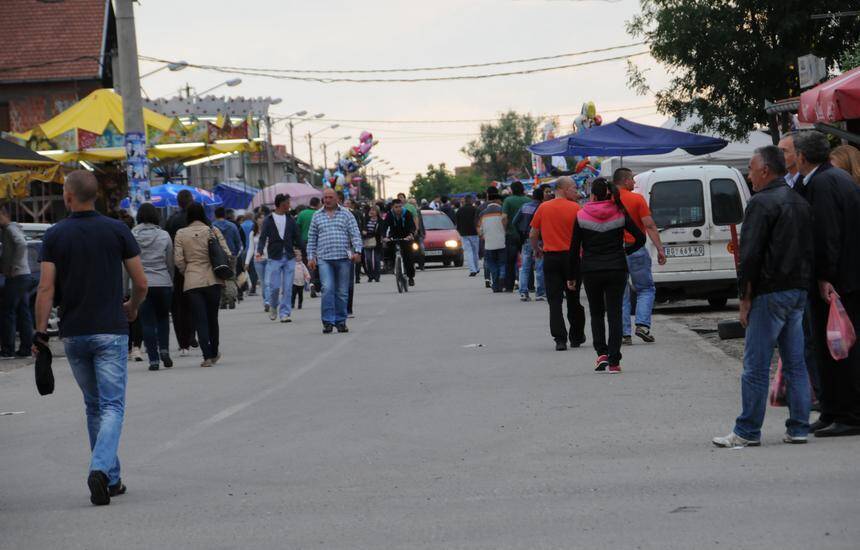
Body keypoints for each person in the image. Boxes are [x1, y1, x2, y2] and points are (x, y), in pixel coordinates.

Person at [34, 170, 147, 505]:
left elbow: (45, 288)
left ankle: (111, 479)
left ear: (68, 197)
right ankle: (100, 469)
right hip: (110, 329)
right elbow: (141, 282)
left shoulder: (55, 235)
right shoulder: (117, 230)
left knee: (94, 406)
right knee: (112, 405)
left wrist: (40, 334)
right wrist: (133, 307)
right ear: (95, 195)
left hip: (74, 333)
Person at [713, 146, 814, 448]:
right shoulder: (799, 200)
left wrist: (744, 298)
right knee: (795, 363)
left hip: (770, 291)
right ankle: (798, 427)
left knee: (756, 364)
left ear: (765, 171)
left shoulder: (761, 203)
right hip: (797, 290)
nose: (749, 174)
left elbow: (751, 255)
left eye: (752, 168)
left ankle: (747, 430)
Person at [795, 131, 860, 438]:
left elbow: (826, 235)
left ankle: (848, 413)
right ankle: (833, 410)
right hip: (846, 275)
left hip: (839, 280)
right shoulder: (834, 179)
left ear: (802, 157)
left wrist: (824, 277)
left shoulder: (823, 183)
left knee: (838, 347)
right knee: (830, 347)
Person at [570, 178, 645, 374]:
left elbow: (573, 249)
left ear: (592, 195)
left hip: (591, 270)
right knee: (614, 313)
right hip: (616, 269)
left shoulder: (581, 215)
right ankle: (614, 361)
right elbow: (640, 237)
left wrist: (572, 276)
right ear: (609, 193)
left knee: (596, 313)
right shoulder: (619, 212)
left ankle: (601, 354)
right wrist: (625, 252)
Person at [529, 177, 586, 351]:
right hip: (572, 258)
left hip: (551, 258)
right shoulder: (576, 208)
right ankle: (576, 336)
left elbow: (533, 233)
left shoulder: (543, 208)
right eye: (574, 188)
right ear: (564, 189)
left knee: (554, 301)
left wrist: (537, 249)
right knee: (573, 299)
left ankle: (560, 339)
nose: (576, 191)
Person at [612, 168, 668, 345]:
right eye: (632, 180)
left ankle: (624, 334)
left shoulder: (608, 199)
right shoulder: (636, 199)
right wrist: (660, 249)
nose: (634, 184)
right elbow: (649, 225)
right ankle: (642, 325)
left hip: (615, 252)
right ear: (625, 180)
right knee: (645, 289)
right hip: (636, 250)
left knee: (621, 293)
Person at [174, 203, 231, 367]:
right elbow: (226, 253)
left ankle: (206, 357)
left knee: (200, 319)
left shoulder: (180, 234)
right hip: (213, 279)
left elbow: (178, 259)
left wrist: (188, 271)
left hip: (192, 281)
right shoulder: (213, 231)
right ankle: (214, 352)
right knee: (213, 318)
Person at [307, 188, 362, 333]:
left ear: (337, 198)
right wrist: (311, 257)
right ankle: (328, 322)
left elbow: (355, 233)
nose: (327, 200)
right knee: (327, 288)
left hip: (343, 258)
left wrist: (357, 251)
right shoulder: (317, 216)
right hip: (324, 259)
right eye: (325, 197)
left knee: (342, 291)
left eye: (330, 197)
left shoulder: (346, 214)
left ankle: (341, 321)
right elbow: (312, 238)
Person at [131, 203, 174, 371]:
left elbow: (127, 263)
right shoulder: (164, 235)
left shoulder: (132, 235)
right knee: (163, 318)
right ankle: (164, 350)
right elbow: (170, 262)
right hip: (163, 282)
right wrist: (171, 280)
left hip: (141, 284)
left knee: (146, 322)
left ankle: (154, 360)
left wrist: (128, 287)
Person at [256, 193, 301, 323]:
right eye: (288, 203)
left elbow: (297, 237)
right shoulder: (268, 220)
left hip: (289, 256)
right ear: (282, 204)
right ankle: (273, 306)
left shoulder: (291, 219)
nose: (290, 205)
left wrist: (306, 252)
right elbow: (263, 237)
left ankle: (285, 313)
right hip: (274, 257)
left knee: (287, 287)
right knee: (274, 286)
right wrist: (259, 251)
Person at [165, 190, 196, 356]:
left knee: (179, 306)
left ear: (178, 203)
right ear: (191, 201)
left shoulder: (171, 220)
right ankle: (193, 334)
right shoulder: (198, 220)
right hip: (197, 267)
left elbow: (168, 246)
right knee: (196, 302)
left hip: (177, 268)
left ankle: (183, 341)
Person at [0, 205, 33, 358]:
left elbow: (21, 244)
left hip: (17, 276)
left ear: (3, 214)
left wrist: (14, 265)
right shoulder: (13, 228)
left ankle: (8, 350)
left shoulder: (9, 228)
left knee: (8, 312)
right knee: (23, 312)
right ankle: (26, 349)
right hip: (24, 275)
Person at [512, 185, 546, 301]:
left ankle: (523, 292)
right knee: (540, 267)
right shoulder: (543, 207)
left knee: (525, 267)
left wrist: (521, 233)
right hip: (540, 240)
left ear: (532, 197)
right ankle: (540, 293)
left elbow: (514, 222)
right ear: (542, 197)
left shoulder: (524, 207)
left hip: (526, 239)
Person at [502, 181, 530, 293]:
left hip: (512, 234)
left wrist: (505, 230)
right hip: (526, 235)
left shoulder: (508, 200)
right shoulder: (528, 200)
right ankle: (530, 285)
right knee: (527, 261)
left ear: (512, 190)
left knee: (510, 261)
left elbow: (504, 217)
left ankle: (509, 286)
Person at [212, 207, 242, 309]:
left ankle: (223, 301)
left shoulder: (212, 227)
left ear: (215, 215)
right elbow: (238, 242)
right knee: (231, 276)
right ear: (224, 215)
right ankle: (232, 297)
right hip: (231, 254)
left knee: (219, 277)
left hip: (217, 256)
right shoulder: (232, 226)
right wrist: (235, 253)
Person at [382, 199, 417, 286]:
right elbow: (384, 226)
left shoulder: (407, 213)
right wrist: (385, 237)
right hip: (394, 235)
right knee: (388, 249)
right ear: (392, 208)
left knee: (408, 257)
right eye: (396, 207)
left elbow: (412, 226)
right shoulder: (389, 215)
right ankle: (392, 265)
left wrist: (411, 234)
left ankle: (410, 277)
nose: (398, 209)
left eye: (400, 206)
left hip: (406, 236)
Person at [478, 187, 506, 292]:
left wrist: (483, 236)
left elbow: (479, 230)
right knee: (502, 262)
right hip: (502, 241)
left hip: (489, 243)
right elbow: (505, 223)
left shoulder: (482, 213)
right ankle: (502, 276)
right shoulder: (502, 210)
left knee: (492, 263)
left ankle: (495, 286)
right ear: (497, 200)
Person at [296, 197, 321, 296]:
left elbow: (297, 229)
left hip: (304, 242)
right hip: (318, 242)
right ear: (318, 204)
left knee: (308, 264)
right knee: (319, 264)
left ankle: (310, 284)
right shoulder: (319, 213)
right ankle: (316, 283)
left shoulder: (302, 214)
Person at [456, 195, 480, 277]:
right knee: (475, 252)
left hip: (464, 234)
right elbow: (478, 221)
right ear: (471, 201)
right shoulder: (475, 209)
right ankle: (477, 268)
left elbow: (457, 223)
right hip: (474, 233)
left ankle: (472, 270)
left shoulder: (460, 210)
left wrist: (459, 231)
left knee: (469, 252)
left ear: (465, 201)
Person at [362, 205, 384, 282]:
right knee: (368, 259)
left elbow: (381, 231)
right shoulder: (366, 219)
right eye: (371, 210)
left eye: (373, 210)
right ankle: (370, 276)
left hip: (376, 242)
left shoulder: (380, 221)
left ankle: (377, 276)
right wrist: (363, 232)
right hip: (367, 241)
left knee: (376, 260)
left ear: (377, 212)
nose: (371, 212)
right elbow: (362, 227)